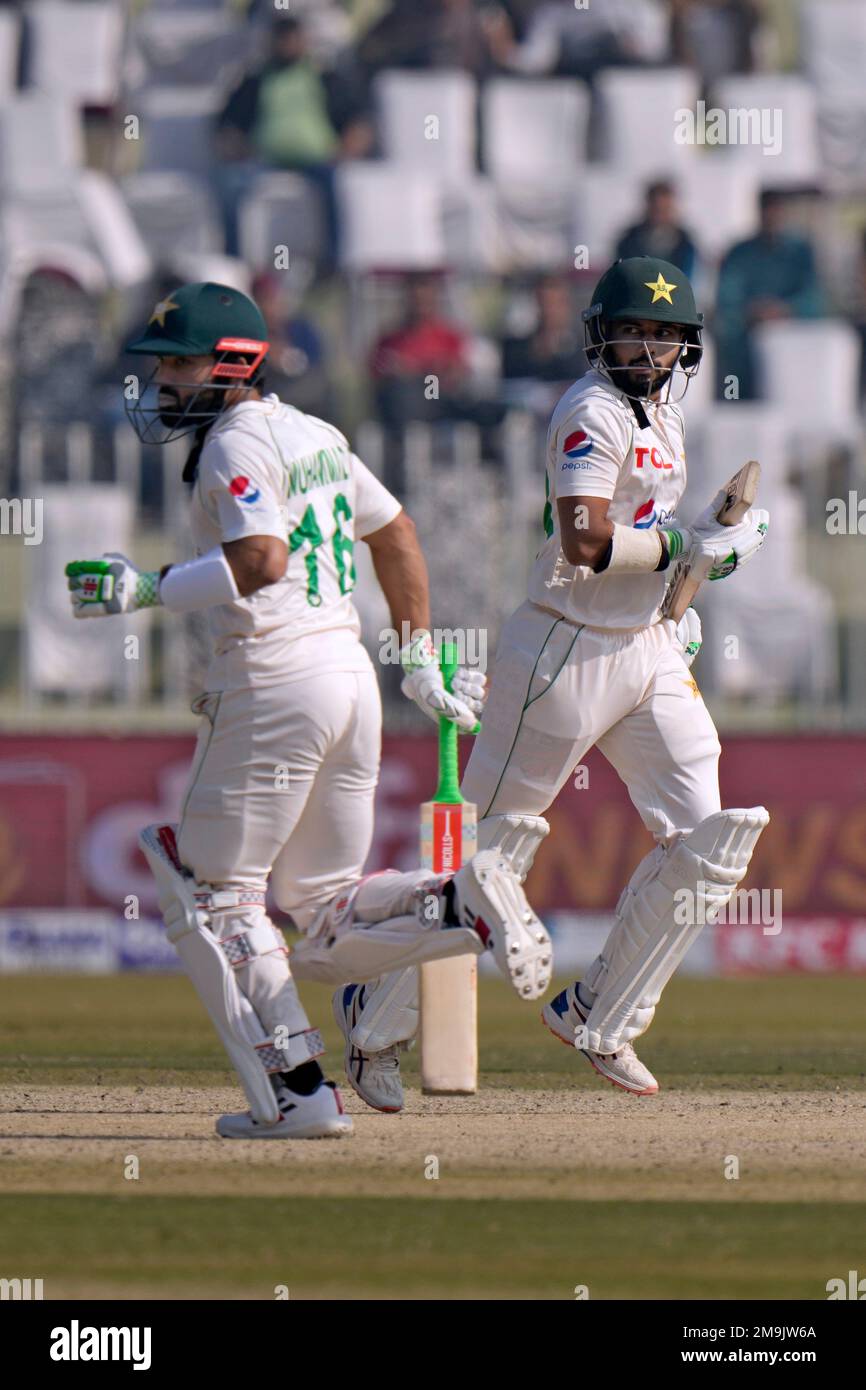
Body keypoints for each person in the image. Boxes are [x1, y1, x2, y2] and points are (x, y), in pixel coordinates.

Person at [64, 281, 550, 1136]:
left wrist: (147, 588)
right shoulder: (315, 434)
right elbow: (395, 533)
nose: (162, 384)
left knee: (218, 897)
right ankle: (456, 903)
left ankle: (300, 1092)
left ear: (231, 364)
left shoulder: (235, 442)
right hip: (349, 678)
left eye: (176, 365)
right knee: (322, 914)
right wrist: (413, 653)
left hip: (274, 678)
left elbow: (261, 560)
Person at [344, 257, 770, 1101]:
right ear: (601, 334)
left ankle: (601, 1013)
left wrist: (693, 577)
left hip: (643, 649)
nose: (647, 346)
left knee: (714, 841)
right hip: (561, 650)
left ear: (685, 346)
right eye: (633, 329)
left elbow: (654, 540)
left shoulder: (666, 418)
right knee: (490, 853)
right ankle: (373, 1013)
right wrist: (688, 550)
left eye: (664, 334)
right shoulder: (590, 410)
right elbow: (585, 540)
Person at [715, 190, 825, 399]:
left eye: (777, 211)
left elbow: (813, 296)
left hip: (792, 325)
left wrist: (785, 310)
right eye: (768, 210)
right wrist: (754, 311)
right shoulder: (739, 252)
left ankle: (800, 401)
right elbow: (728, 297)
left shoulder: (802, 251)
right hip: (748, 327)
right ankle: (735, 400)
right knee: (729, 337)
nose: (772, 216)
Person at [615, 181, 698, 280]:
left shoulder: (685, 245)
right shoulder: (628, 243)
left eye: (664, 209)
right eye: (656, 209)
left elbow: (688, 279)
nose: (659, 215)